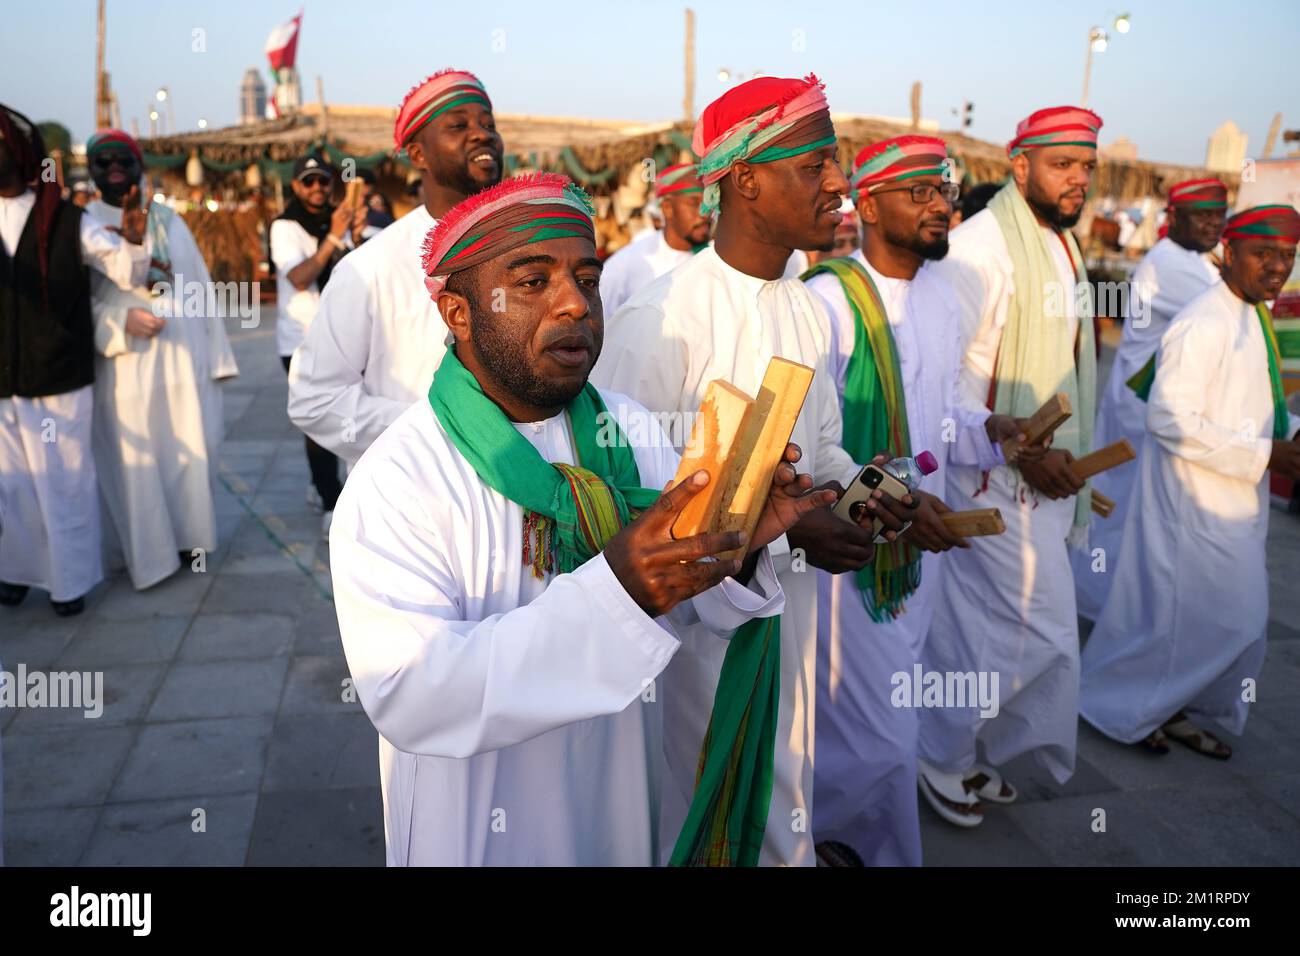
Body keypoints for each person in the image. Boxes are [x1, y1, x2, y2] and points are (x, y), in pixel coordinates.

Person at [329, 172, 834, 865]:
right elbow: (411, 692)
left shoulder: (627, 429)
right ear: (458, 313)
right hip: (479, 824)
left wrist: (735, 541)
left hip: (620, 797)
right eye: (532, 282)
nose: (575, 304)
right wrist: (618, 590)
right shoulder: (400, 475)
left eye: (588, 280)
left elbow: (694, 608)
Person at [592, 74, 912, 866]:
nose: (839, 183)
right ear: (746, 180)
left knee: (782, 785)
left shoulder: (805, 302)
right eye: (816, 166)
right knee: (704, 798)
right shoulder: (661, 318)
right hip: (693, 637)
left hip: (788, 614)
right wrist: (794, 531)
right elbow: (629, 501)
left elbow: (825, 445)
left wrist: (863, 501)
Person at [803, 135, 1014, 864]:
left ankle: (837, 840)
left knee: (879, 718)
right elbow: (807, 444)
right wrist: (889, 498)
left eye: (944, 190)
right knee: (882, 731)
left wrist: (995, 430)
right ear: (867, 205)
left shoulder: (942, 294)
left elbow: (944, 413)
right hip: (850, 555)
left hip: (916, 554)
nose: (939, 204)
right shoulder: (827, 301)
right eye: (918, 191)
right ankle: (848, 843)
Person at [919, 106, 1102, 825]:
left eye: (1086, 166)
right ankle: (940, 756)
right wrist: (1020, 447)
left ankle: (960, 753)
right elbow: (950, 376)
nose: (1078, 179)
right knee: (1017, 632)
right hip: (988, 475)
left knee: (1006, 632)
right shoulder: (980, 246)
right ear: (1019, 164)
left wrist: (1060, 452)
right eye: (1063, 164)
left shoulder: (1058, 244)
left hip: (1043, 473)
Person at [1080, 204, 1300, 758]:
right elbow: (1167, 417)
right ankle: (1116, 708)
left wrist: (1287, 434)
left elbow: (1259, 400)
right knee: (1223, 618)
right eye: (1264, 254)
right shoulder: (1204, 320)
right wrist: (1266, 453)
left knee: (1201, 620)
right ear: (1229, 254)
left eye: (1288, 257)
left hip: (1231, 493)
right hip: (1192, 500)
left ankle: (1166, 708)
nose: (1277, 268)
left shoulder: (1252, 314)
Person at [288, 69, 505, 469]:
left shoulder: (525, 249)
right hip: (415, 498)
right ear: (419, 154)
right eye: (459, 126)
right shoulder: (372, 266)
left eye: (488, 124)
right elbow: (314, 400)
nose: (482, 134)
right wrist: (443, 427)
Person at [0, 104, 148, 616]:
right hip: (3, 378)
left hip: (57, 375)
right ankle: (16, 571)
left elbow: (124, 268)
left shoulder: (66, 218)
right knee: (12, 487)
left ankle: (69, 582)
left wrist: (132, 240)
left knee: (63, 480)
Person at [83, 129, 239, 589]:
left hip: (181, 361)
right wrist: (118, 317)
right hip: (123, 365)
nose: (114, 168)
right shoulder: (84, 223)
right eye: (103, 160)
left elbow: (201, 291)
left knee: (190, 449)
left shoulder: (170, 221)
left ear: (139, 166)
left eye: (123, 160)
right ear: (91, 170)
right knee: (137, 461)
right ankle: (147, 558)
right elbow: (73, 304)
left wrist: (217, 359)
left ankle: (189, 540)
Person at [1072, 177, 1226, 619]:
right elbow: (1235, 310)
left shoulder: (1193, 260)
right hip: (1144, 408)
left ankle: (1106, 604)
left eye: (1219, 216)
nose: (1213, 224)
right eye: (1203, 216)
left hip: (1146, 403)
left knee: (1126, 509)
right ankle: (1100, 606)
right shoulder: (1175, 263)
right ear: (1174, 219)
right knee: (1123, 512)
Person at [270, 152, 366, 532]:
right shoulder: (285, 227)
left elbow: (355, 273)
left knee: (341, 417)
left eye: (323, 181)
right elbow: (299, 276)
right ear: (295, 186)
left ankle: (324, 486)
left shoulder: (337, 221)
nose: (316, 188)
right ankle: (330, 499)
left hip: (341, 336)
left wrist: (353, 237)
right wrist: (332, 236)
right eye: (308, 181)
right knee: (318, 420)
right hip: (300, 339)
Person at [598, 162, 710, 315]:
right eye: (694, 203)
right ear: (667, 208)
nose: (705, 213)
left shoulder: (717, 257)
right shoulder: (624, 267)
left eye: (709, 203)